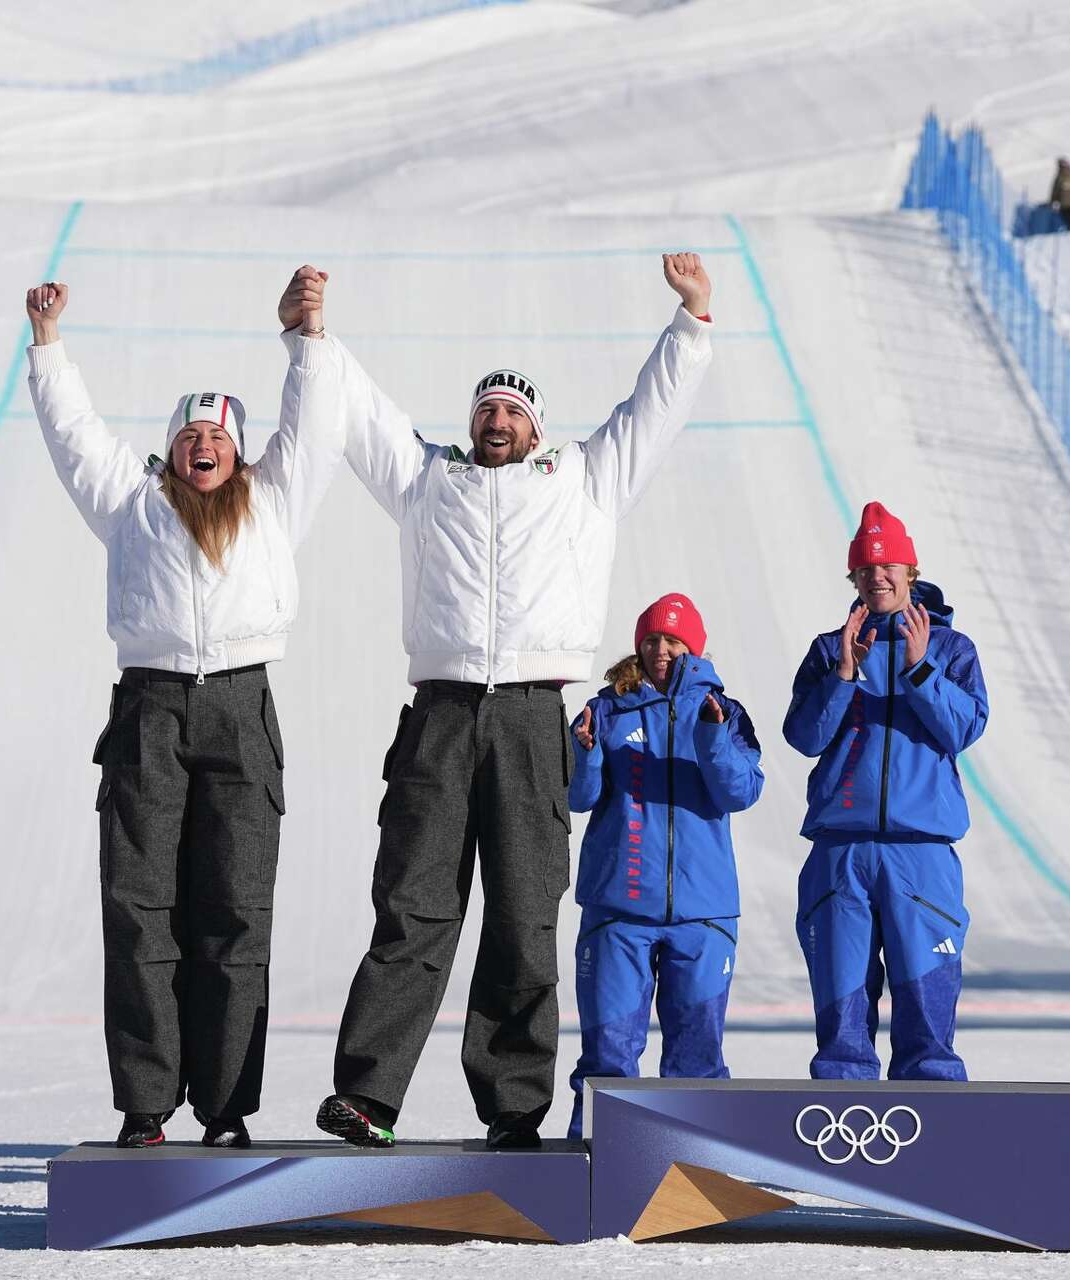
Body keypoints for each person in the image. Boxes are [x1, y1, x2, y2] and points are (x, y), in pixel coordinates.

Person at [304, 254, 716, 1150]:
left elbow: (650, 414)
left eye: (514, 411)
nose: (498, 421)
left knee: (525, 916)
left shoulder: (581, 481)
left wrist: (689, 323)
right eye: (487, 409)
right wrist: (314, 336)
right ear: (472, 424)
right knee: (414, 907)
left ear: (536, 429)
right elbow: (363, 412)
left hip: (535, 716)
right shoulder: (427, 481)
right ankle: (367, 1097)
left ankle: (514, 1110)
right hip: (442, 715)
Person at [24, 273, 345, 1150]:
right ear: (170, 451)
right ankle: (144, 1106)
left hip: (242, 709)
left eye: (218, 436)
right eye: (189, 435)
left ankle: (227, 1111)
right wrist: (48, 345)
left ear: (240, 453)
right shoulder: (133, 503)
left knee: (235, 916)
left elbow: (316, 427)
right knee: (140, 911)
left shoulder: (275, 502)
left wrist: (306, 336)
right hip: (150, 712)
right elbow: (74, 438)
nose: (203, 444)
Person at [784, 502, 990, 1080]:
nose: (877, 576)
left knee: (927, 1019)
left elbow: (963, 729)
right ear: (852, 578)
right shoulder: (831, 648)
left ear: (911, 570)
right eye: (865, 568)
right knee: (842, 1016)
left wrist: (921, 670)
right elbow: (803, 736)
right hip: (839, 852)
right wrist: (845, 674)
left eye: (888, 565)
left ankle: (935, 1131)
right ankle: (840, 1132)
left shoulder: (951, 649)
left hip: (920, 852)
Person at [563, 593, 764, 1139]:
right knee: (608, 1053)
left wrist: (713, 740)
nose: (661, 650)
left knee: (697, 1055)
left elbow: (741, 792)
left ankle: (699, 1169)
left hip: (703, 913)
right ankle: (594, 1166)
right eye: (652, 639)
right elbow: (577, 799)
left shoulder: (722, 711)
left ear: (693, 647)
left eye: (674, 641)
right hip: (618, 910)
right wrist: (586, 756)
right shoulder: (605, 709)